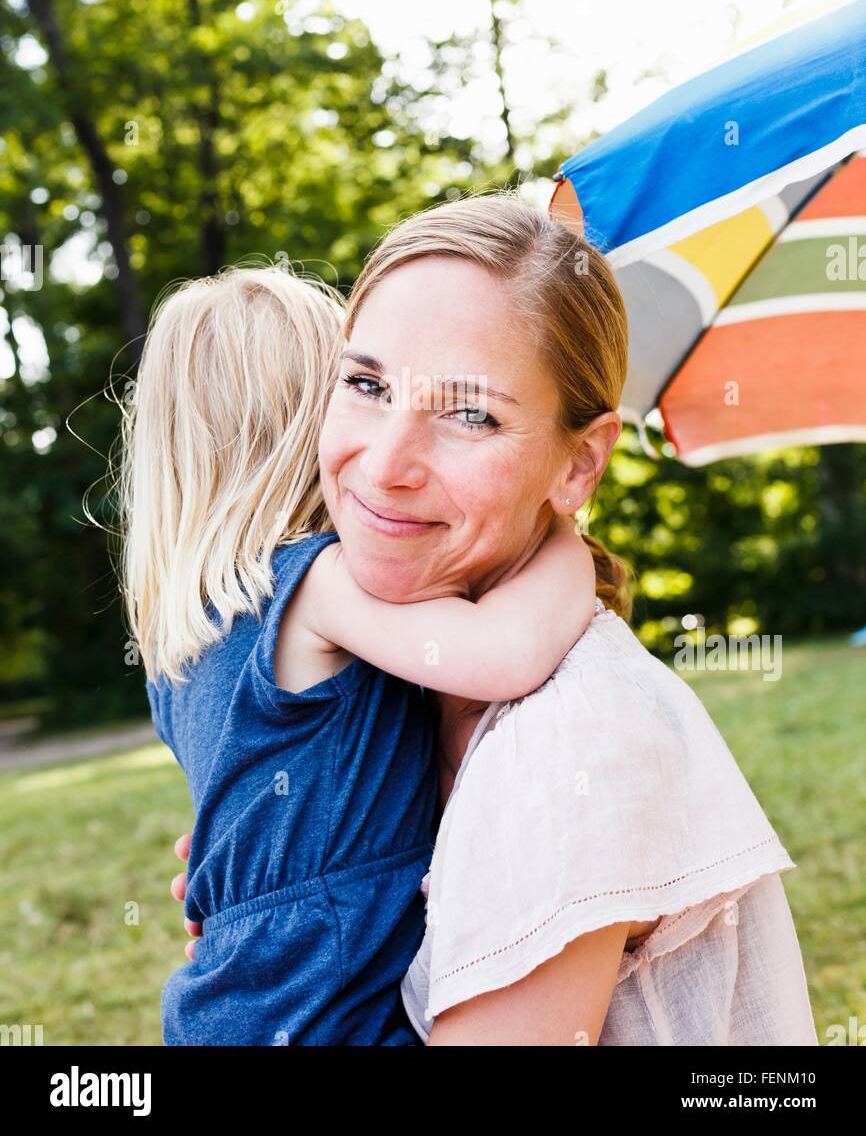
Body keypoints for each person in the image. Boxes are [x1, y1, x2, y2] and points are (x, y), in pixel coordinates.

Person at [168, 191, 818, 1045]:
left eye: (470, 413)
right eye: (366, 384)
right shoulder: (392, 690)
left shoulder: (567, 744)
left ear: (579, 465)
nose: (386, 464)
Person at [124, 263, 597, 1045]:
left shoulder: (182, 637)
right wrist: (561, 531)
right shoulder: (313, 585)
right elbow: (511, 653)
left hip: (244, 997)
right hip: (326, 1003)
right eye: (365, 391)